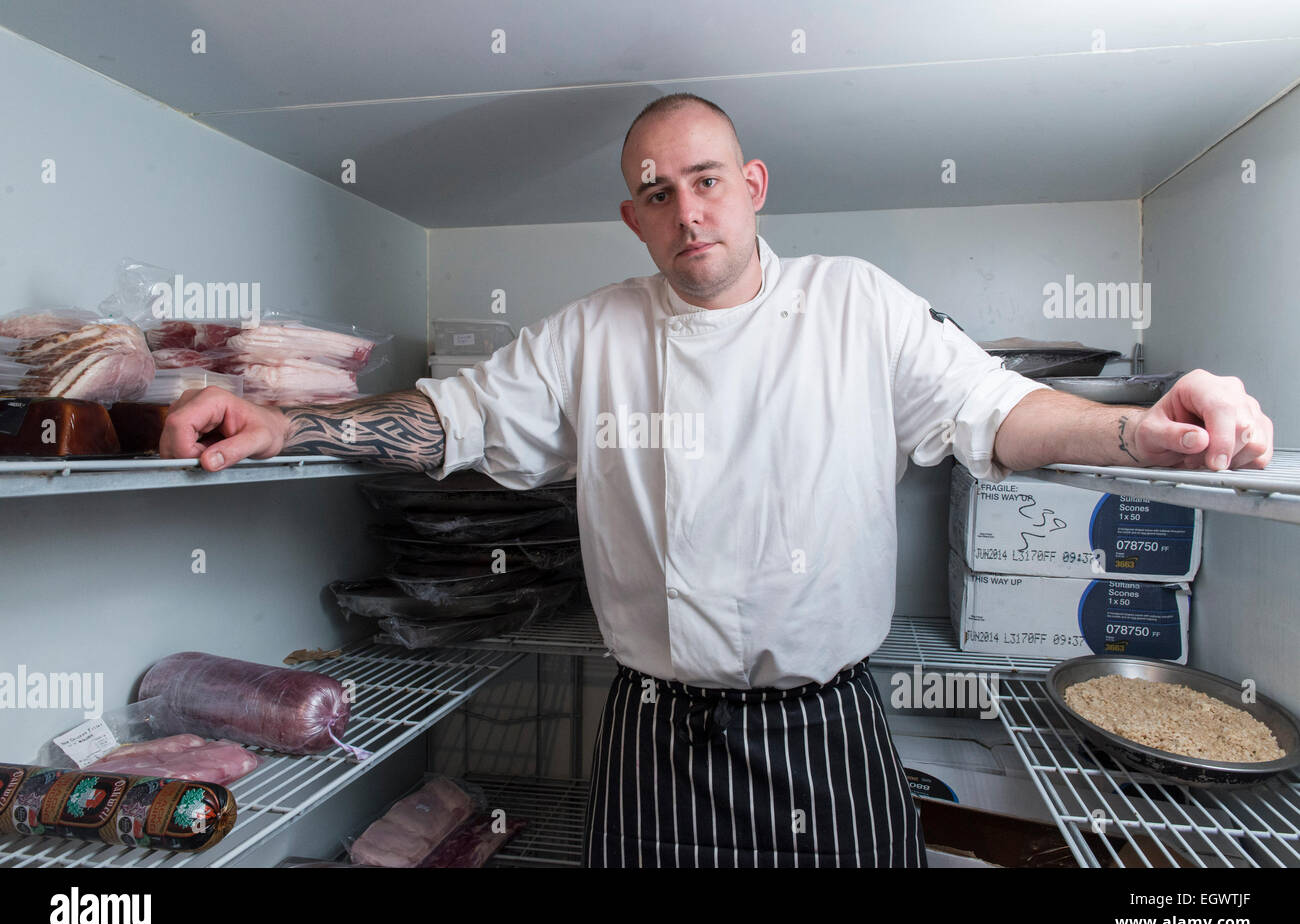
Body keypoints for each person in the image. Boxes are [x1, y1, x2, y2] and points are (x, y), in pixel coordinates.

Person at [160, 93, 1273, 868]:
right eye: (656, 192)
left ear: (750, 186)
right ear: (633, 216)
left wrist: (1138, 431)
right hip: (655, 724)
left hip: (825, 723)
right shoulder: (589, 334)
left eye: (705, 181)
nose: (686, 211)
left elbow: (1001, 413)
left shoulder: (856, 306)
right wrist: (289, 424)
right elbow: (447, 420)